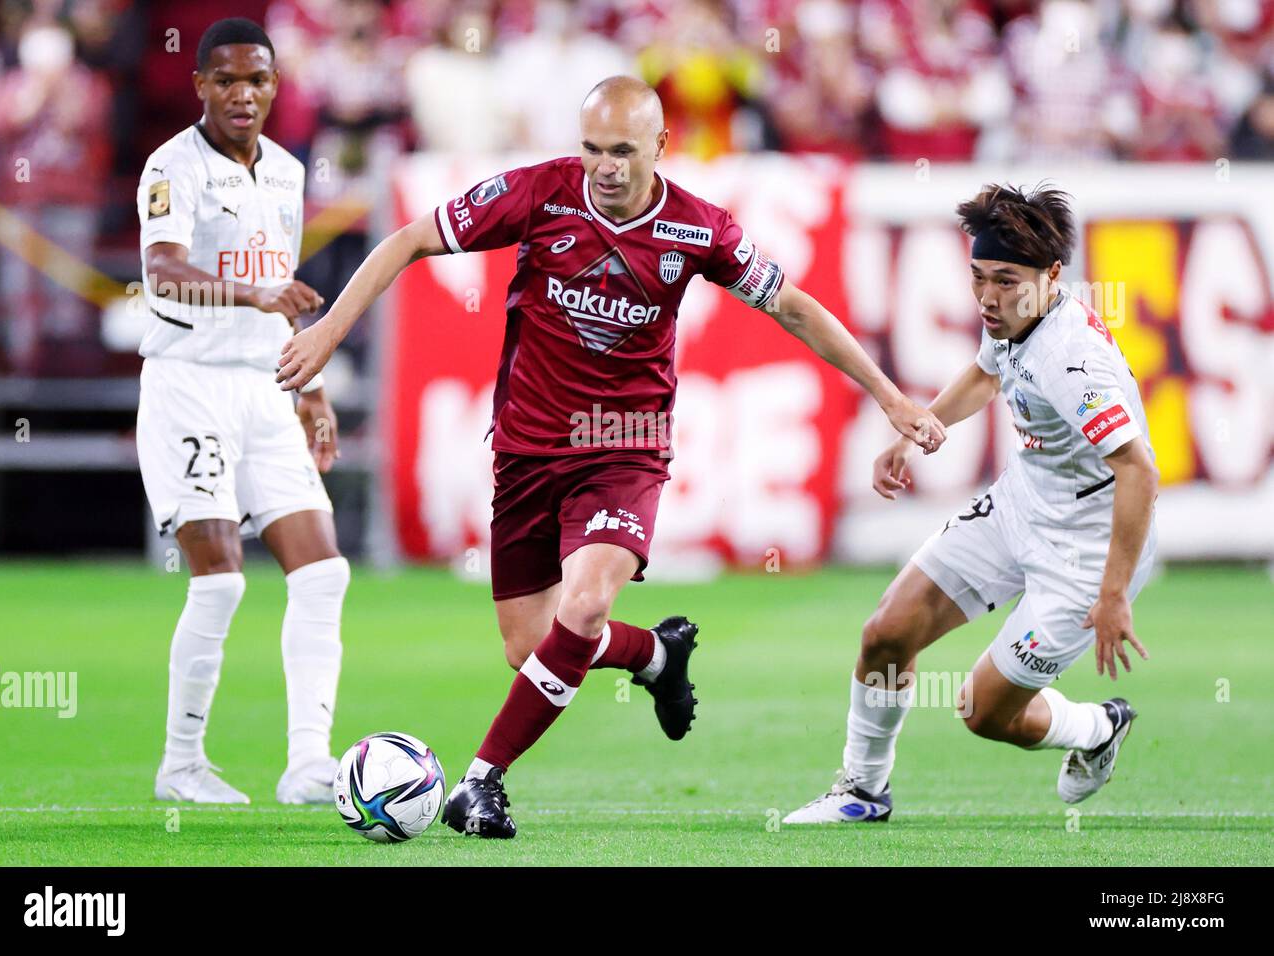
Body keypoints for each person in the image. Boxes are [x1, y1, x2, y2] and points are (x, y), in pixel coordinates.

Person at [277, 76, 945, 838]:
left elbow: (791, 304)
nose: (606, 167)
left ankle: (480, 783)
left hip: (623, 449)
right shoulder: (538, 194)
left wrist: (891, 397)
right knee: (532, 649)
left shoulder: (700, 229)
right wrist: (328, 332)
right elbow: (409, 240)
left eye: (623, 151)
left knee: (585, 604)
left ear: (660, 146)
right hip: (526, 453)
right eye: (593, 148)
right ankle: (656, 655)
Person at [784, 184, 1158, 824]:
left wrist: (1114, 593)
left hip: (1084, 555)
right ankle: (863, 791)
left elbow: (1138, 471)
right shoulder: (1019, 318)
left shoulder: (1074, 361)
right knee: (887, 634)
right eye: (978, 278)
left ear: (1052, 277)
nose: (987, 297)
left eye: (1006, 281)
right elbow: (987, 374)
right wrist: (922, 426)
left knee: (982, 713)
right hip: (1020, 508)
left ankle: (1096, 727)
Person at [136, 18, 347, 805]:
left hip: (262, 386)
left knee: (324, 572)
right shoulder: (171, 166)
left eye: (257, 80)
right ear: (200, 86)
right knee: (220, 583)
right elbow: (161, 272)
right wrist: (251, 292)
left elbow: (282, 288)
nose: (242, 94)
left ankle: (307, 766)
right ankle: (182, 764)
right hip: (188, 381)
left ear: (275, 88)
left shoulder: (289, 173)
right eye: (226, 80)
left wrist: (310, 386)